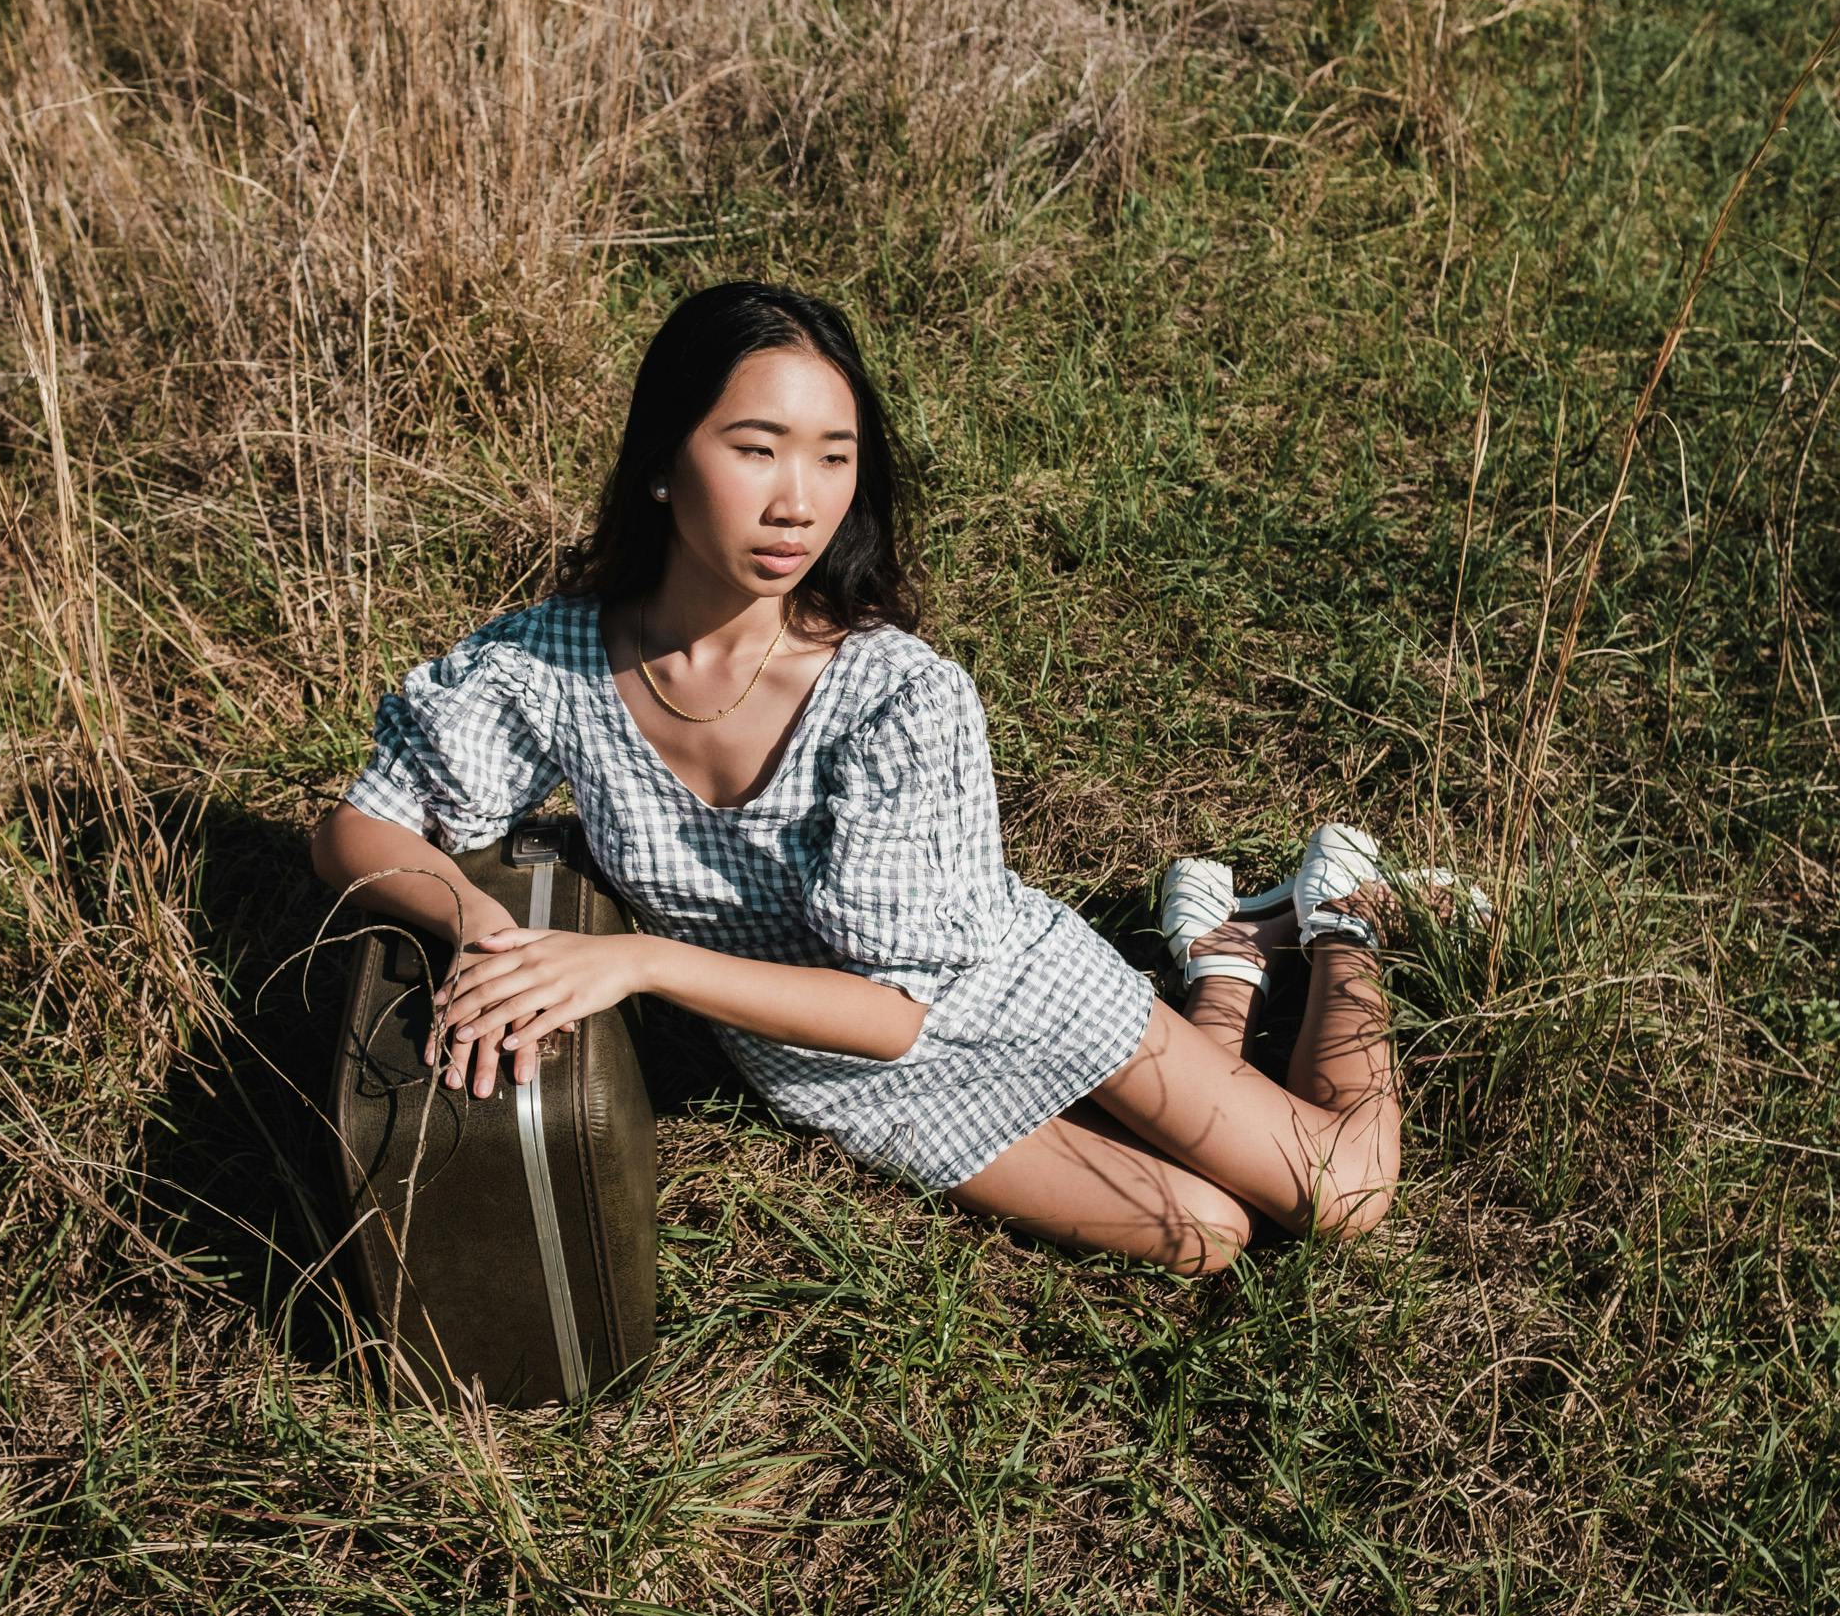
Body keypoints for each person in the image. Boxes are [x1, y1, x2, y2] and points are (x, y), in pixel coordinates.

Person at [312, 282, 1449, 1278]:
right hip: (833, 1072)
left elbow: (897, 1012)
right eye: (754, 448)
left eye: (832, 458)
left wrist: (637, 961)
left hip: (1000, 995)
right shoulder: (552, 662)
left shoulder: (897, 698)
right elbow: (359, 830)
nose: (797, 501)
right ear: (662, 461)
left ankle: (1340, 920)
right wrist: (474, 923)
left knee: (1335, 1198)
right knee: (1202, 1230)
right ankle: (1222, 958)